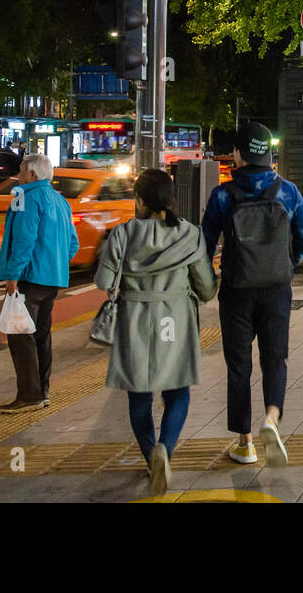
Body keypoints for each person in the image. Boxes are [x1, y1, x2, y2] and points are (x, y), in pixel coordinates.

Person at [95, 169, 217, 495]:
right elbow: (206, 288)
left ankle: (151, 455)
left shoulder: (122, 234)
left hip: (134, 319)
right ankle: (166, 447)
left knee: (139, 396)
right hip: (174, 320)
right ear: (171, 199)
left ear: (139, 200)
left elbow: (104, 282)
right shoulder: (189, 234)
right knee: (178, 392)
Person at [202, 122, 303, 467]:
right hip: (277, 289)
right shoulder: (289, 192)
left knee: (239, 366)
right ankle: (272, 419)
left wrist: (209, 280)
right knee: (274, 358)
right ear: (268, 153)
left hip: (236, 290)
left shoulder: (223, 195)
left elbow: (203, 246)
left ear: (238, 153)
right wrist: (285, 264)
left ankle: (245, 443)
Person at [0, 153, 79, 413]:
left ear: (32, 174)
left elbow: (24, 239)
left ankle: (29, 395)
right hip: (51, 279)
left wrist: (13, 275)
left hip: (29, 278)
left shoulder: (25, 197)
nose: (19, 174)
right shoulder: (60, 200)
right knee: (41, 334)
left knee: (20, 334)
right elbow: (73, 243)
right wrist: (56, 263)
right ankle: (42, 391)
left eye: (22, 169)